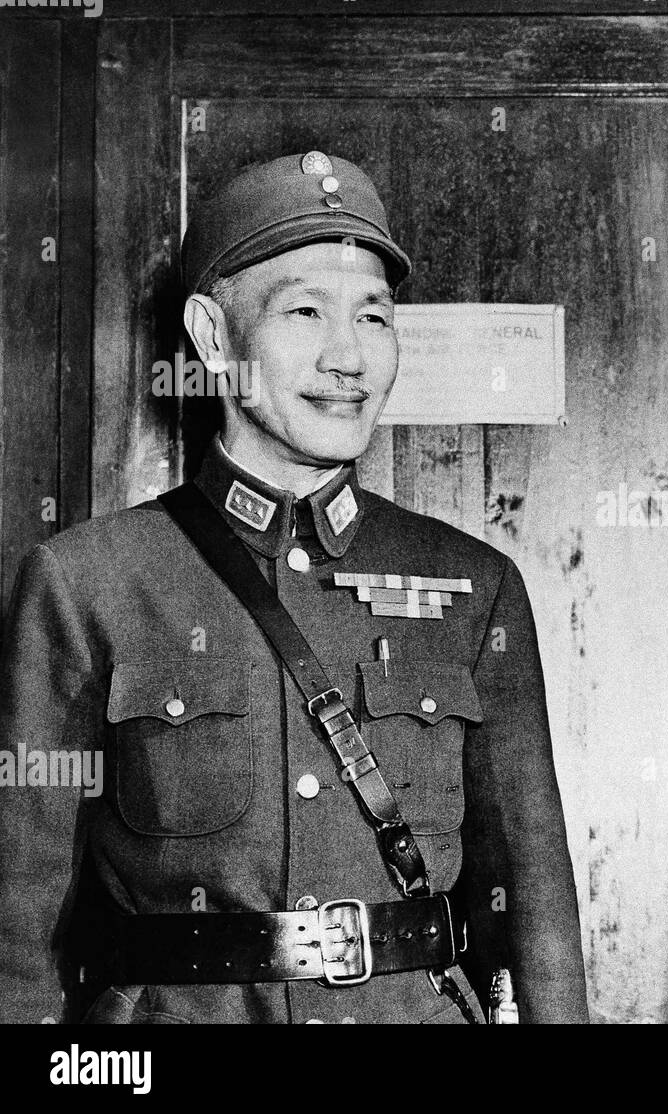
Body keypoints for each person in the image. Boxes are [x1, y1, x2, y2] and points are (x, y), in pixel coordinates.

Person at [0, 151, 588, 1024]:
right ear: (211, 335)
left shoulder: (472, 586)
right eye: (306, 311)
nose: (348, 356)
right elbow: (17, 926)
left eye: (375, 317)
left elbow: (534, 908)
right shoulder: (87, 584)